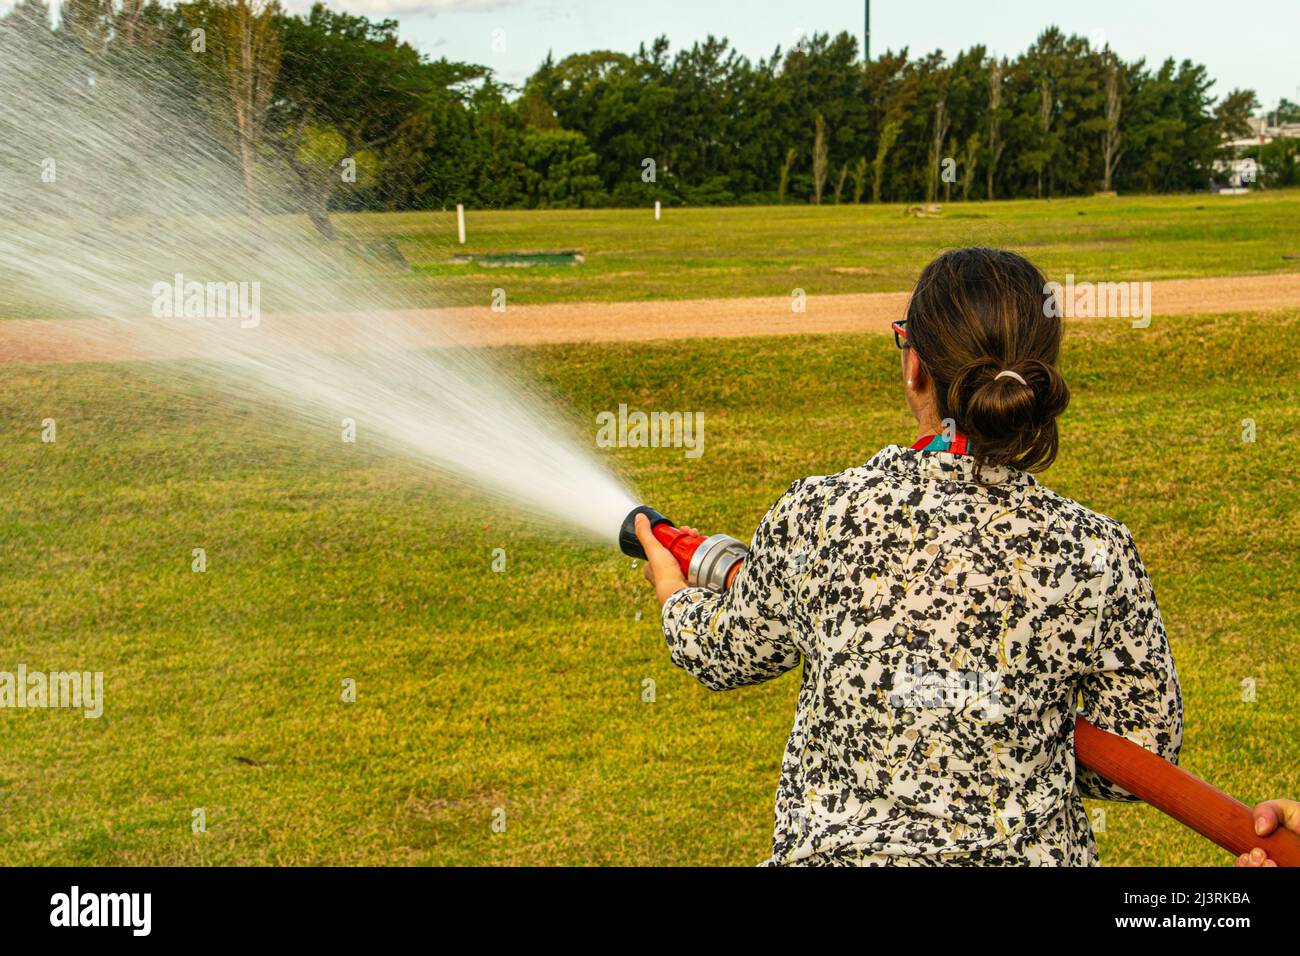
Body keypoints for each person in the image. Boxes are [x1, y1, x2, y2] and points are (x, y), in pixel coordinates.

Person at [635, 246, 1268, 866]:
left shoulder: (818, 516)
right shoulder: (1093, 550)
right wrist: (1018, 729)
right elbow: (1141, 758)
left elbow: (730, 653)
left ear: (914, 365)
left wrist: (676, 593)